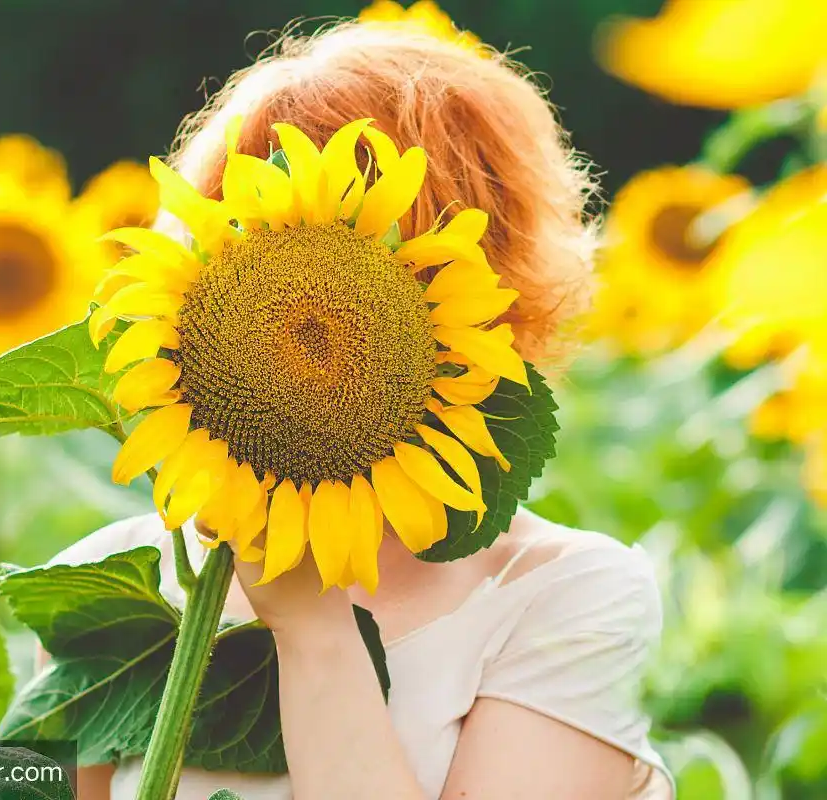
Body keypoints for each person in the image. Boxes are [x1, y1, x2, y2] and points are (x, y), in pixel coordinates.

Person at [47, 19, 676, 800]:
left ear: (479, 306)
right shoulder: (98, 582)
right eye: (244, 249)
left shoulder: (567, 599)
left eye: (375, 266)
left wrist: (312, 630)